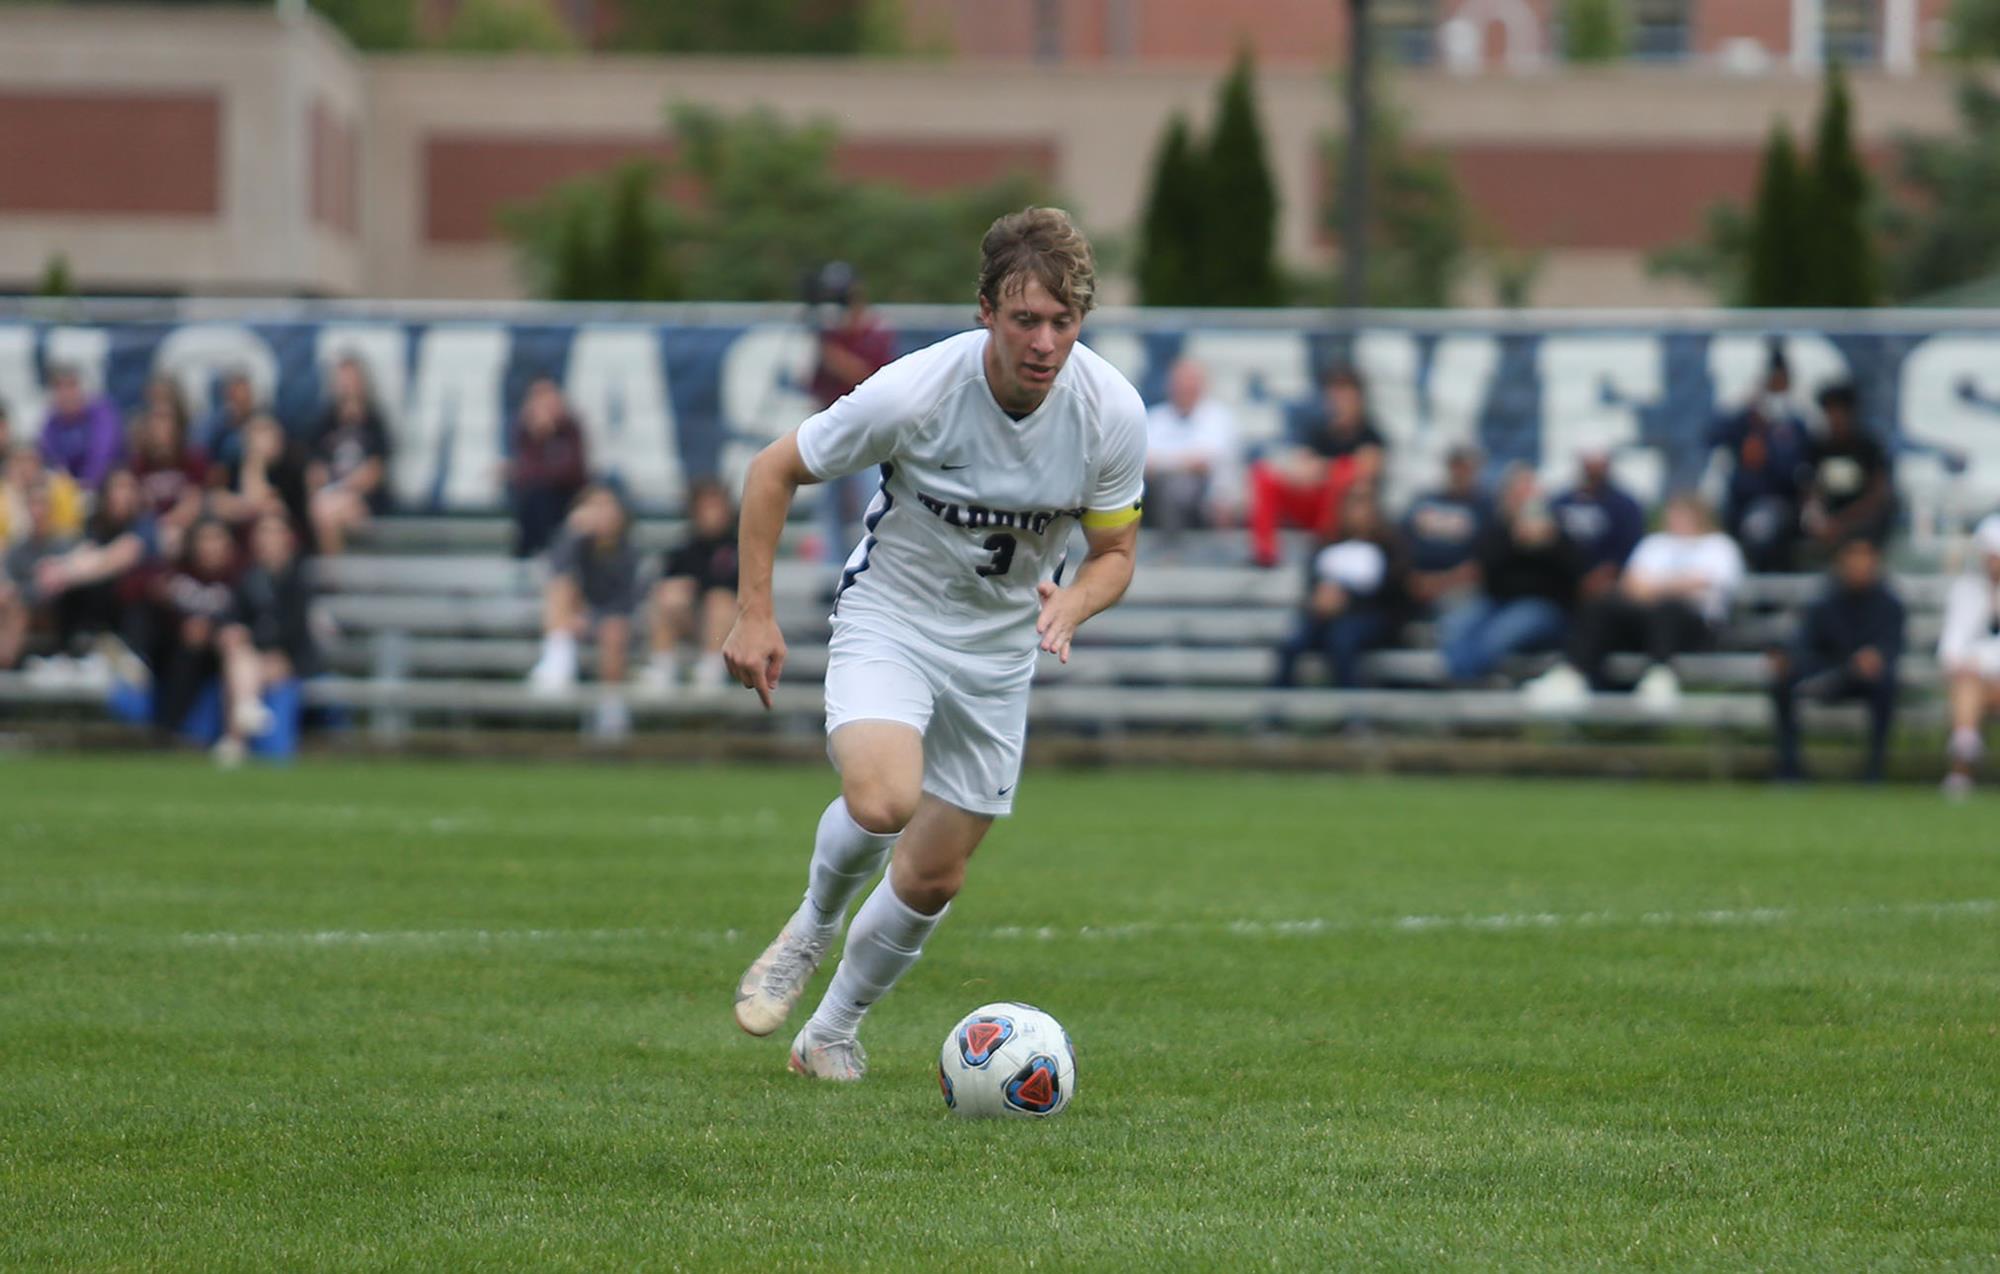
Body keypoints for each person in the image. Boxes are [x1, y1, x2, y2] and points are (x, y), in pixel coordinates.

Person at [723, 207, 1145, 1082]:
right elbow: (774, 470)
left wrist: (1074, 606)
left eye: (1063, 322)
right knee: (882, 800)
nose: (1044, 341)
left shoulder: (1110, 412)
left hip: (998, 655)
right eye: (1025, 319)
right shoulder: (915, 391)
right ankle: (809, 928)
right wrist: (753, 613)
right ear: (984, 309)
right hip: (896, 620)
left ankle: (831, 1033)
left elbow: (1114, 556)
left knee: (935, 879)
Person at [1523, 493, 1744, 713]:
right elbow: (1631, 584)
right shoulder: (1654, 543)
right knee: (1601, 605)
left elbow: (1703, 583)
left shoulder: (1719, 546)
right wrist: (1671, 586)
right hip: (1646, 622)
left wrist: (1656, 588)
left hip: (1695, 627)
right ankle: (1571, 675)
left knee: (1669, 610)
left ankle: (1661, 676)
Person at [1769, 537, 1904, 784]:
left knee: (1886, 683)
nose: (1859, 564)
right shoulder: (1824, 601)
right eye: (1853, 557)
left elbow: (1892, 646)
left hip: (1864, 679)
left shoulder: (1889, 604)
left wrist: (1876, 656)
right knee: (1782, 680)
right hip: (1827, 670)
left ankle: (1875, 769)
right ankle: (1789, 766)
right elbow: (1804, 641)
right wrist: (1787, 656)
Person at [1438, 470, 1581, 685]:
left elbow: (1573, 576)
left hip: (1543, 607)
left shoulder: (1558, 531)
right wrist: (1513, 539)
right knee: (1456, 624)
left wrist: (1552, 543)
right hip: (1497, 602)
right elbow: (1486, 569)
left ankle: (1468, 687)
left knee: (1499, 634)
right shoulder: (1497, 530)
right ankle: (1463, 683)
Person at [525, 484, 644, 737]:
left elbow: (626, 603)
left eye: (606, 506)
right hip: (576, 622)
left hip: (613, 625)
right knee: (560, 587)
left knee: (614, 630)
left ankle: (611, 709)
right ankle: (558, 655)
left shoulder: (628, 552)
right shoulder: (577, 545)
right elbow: (556, 571)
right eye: (594, 506)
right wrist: (571, 532)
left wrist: (591, 617)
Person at [27, 468, 162, 683]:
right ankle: (68, 657)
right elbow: (86, 553)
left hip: (137, 612)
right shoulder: (97, 524)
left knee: (111, 586)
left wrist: (63, 572)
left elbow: (115, 558)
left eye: (128, 488)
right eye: (118, 487)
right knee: (71, 588)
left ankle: (129, 657)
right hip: (103, 605)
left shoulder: (145, 524)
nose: (123, 495)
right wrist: (57, 565)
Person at [1247, 367, 1385, 569]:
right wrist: (1322, 471)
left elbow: (1365, 470)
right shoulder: (1318, 432)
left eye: (1345, 396)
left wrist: (1325, 470)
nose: (1339, 403)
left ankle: (1324, 546)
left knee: (1344, 475)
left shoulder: (1371, 435)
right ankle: (1265, 552)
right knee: (1263, 474)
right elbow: (1301, 468)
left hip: (1345, 514)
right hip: (1313, 502)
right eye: (1335, 396)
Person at [806, 264, 897, 565]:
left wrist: (834, 354)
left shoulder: (876, 329)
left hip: (868, 433)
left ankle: (868, 564)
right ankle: (830, 569)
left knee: (869, 499)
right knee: (828, 503)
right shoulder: (828, 332)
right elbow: (815, 385)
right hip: (832, 426)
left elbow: (873, 378)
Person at [1271, 490, 1407, 689]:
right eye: (1353, 508)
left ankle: (1351, 711)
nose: (1358, 514)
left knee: (1342, 640)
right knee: (1292, 642)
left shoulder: (1388, 547)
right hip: (1324, 616)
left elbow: (1394, 588)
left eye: (1363, 508)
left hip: (1368, 616)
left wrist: (1347, 600)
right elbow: (1312, 583)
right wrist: (1320, 601)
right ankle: (1276, 707)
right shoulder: (1327, 544)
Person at [213, 512, 316, 767]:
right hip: (255, 659)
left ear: (287, 538)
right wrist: (231, 632)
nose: (266, 539)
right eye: (263, 532)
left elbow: (294, 630)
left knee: (242, 663)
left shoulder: (298, 577)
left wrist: (251, 637)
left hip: (288, 659)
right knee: (240, 658)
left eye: (273, 532)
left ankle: (235, 739)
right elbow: (232, 616)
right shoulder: (248, 577)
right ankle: (247, 709)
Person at [1707, 344, 1811, 572]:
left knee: (1765, 529)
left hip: (1781, 505)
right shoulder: (1744, 420)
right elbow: (1713, 437)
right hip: (1740, 503)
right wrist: (1746, 407)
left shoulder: (1794, 424)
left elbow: (1795, 469)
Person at [147, 517, 241, 737]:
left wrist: (212, 631)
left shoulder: (240, 578)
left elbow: (246, 619)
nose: (209, 547)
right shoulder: (176, 577)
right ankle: (168, 730)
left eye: (216, 539)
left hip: (223, 654)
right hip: (176, 655)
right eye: (204, 539)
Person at [643, 478, 738, 692]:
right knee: (670, 595)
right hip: (691, 623)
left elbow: (735, 587)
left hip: (731, 628)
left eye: (716, 507)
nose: (711, 514)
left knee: (720, 601)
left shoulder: (738, 548)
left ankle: (711, 670)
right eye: (706, 507)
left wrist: (696, 586)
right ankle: (662, 665)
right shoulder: (683, 550)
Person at [1937, 513, 2000, 798]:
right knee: (1967, 685)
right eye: (1991, 556)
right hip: (1977, 682)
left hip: (1985, 678)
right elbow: (1951, 650)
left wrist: (1979, 662)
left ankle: (1962, 762)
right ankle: (1963, 761)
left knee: (1969, 684)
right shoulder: (1966, 591)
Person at [1142, 358, 1238, 544]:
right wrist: (1183, 463)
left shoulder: (1219, 417)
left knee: (1177, 488)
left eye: (1192, 380)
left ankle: (1171, 549)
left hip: (1206, 491)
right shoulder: (1154, 417)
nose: (1186, 386)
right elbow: (1142, 461)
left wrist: (1164, 463)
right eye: (1181, 381)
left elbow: (1206, 462)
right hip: (1155, 489)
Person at [306, 356, 391, 555]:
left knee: (326, 512)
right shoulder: (325, 422)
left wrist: (341, 487)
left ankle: (334, 579)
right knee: (325, 512)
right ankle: (340, 576)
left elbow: (374, 473)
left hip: (365, 503)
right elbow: (314, 472)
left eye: (352, 379)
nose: (347, 386)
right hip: (330, 500)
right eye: (343, 379)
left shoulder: (374, 421)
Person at [1801, 382, 1895, 553]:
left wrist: (1842, 523)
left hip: (1861, 523)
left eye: (1839, 412)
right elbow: (1811, 489)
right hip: (1828, 521)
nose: (1834, 419)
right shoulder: (1818, 449)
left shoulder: (1869, 448)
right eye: (1829, 412)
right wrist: (1817, 518)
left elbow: (1878, 496)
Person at [1402, 444, 1490, 615]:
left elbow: (1482, 560)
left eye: (1465, 467)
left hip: (1459, 586)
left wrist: (1441, 583)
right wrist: (1412, 577)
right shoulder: (1423, 501)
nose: (1459, 472)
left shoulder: (1484, 508)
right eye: (1455, 466)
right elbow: (1401, 542)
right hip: (1417, 581)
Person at [506, 377, 589, 560]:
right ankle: (536, 554)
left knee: (540, 495)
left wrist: (548, 438)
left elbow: (573, 471)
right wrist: (540, 439)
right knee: (534, 497)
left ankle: (541, 554)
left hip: (567, 496)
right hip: (539, 500)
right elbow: (526, 472)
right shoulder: (524, 432)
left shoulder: (571, 428)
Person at [0, 484, 79, 670]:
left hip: (55, 611)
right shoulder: (17, 549)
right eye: (34, 504)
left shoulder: (65, 545)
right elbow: (7, 582)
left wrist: (21, 592)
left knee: (17, 607)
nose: (38, 510)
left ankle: (4, 660)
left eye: (42, 504)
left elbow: (61, 584)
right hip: (16, 607)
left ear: (52, 509)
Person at [1550, 448, 1645, 600]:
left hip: (1609, 585)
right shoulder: (1560, 502)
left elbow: (1630, 550)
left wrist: (1603, 575)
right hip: (1563, 581)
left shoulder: (1624, 505)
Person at [129, 391, 209, 544]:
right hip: (146, 531)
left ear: (178, 425)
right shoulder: (138, 462)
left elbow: (194, 504)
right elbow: (135, 506)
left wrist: (165, 524)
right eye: (155, 419)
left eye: (165, 419)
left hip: (183, 530)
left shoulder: (193, 458)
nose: (159, 426)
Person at [37, 364, 124, 491]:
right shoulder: (50, 425)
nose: (66, 394)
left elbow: (103, 455)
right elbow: (53, 464)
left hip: (104, 488)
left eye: (71, 386)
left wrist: (86, 484)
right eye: (59, 387)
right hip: (70, 493)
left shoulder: (102, 413)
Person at [2, 441, 85, 549]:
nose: (24, 467)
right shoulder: (4, 493)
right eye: (18, 461)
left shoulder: (59, 486)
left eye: (29, 460)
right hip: (16, 551)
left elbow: (71, 529)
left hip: (57, 547)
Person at [196, 369, 261, 472]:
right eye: (236, 397)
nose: (241, 401)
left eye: (245, 397)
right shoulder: (214, 423)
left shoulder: (260, 419)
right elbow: (201, 449)